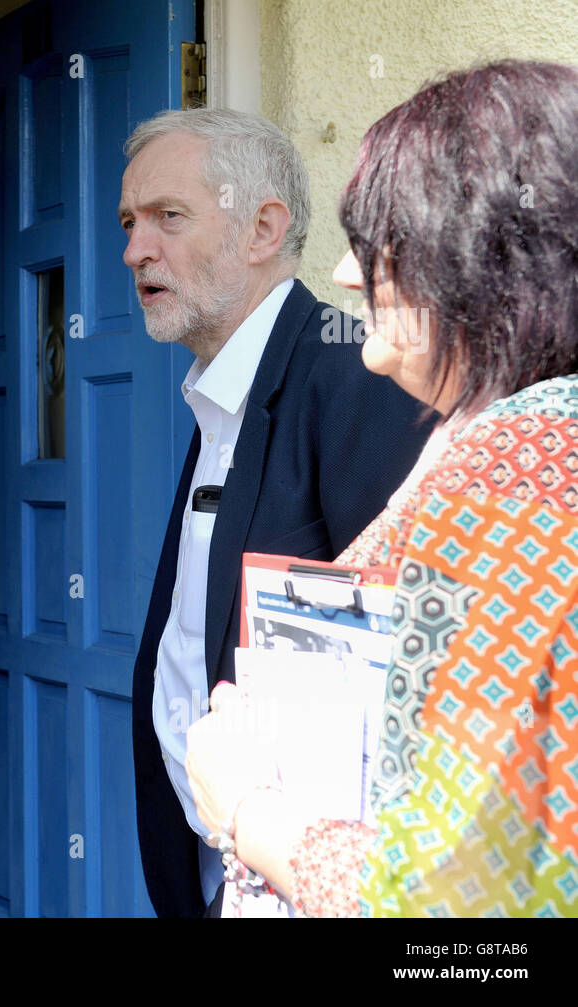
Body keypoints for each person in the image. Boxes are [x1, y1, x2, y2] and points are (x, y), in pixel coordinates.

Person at [185, 60, 578, 918]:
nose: (346, 274)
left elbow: (445, 910)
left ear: (474, 257)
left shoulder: (512, 484)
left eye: (378, 246)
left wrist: (248, 810)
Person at [122, 107, 437, 917]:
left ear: (264, 227)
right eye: (129, 223)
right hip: (210, 870)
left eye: (167, 217)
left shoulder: (352, 375)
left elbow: (406, 700)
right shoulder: (217, 390)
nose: (134, 250)